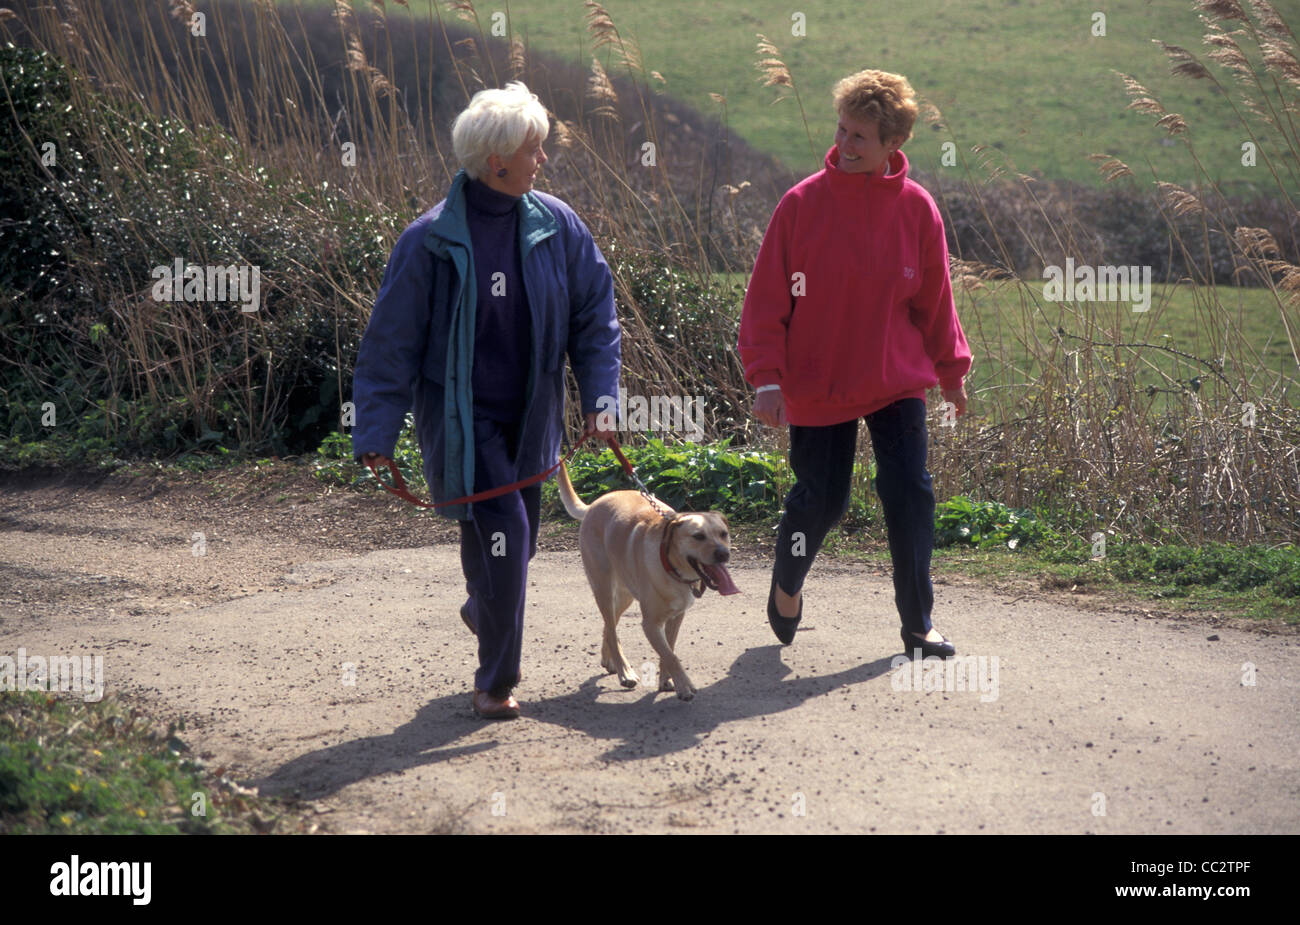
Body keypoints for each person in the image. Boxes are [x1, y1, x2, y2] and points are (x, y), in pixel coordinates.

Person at [351, 82, 621, 718]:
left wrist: (601, 396)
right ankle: (495, 681)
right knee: (507, 529)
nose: (543, 159)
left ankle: (483, 608)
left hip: (532, 418)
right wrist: (375, 434)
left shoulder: (558, 225)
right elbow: (390, 344)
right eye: (535, 149)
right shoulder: (428, 242)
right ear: (496, 160)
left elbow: (595, 315)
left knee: (510, 549)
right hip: (462, 420)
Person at [737, 69, 972, 659]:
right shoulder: (801, 205)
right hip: (818, 381)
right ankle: (787, 584)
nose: (845, 144)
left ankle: (919, 623)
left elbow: (934, 302)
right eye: (842, 130)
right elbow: (767, 301)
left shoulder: (918, 210)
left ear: (894, 144)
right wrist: (767, 378)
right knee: (823, 499)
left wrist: (952, 371)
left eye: (860, 137)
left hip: (895, 380)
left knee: (909, 490)